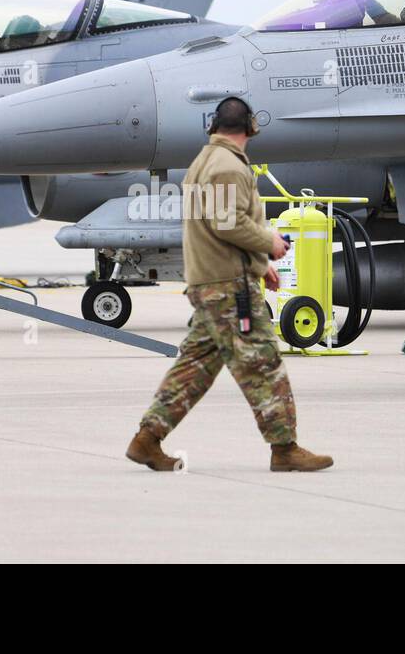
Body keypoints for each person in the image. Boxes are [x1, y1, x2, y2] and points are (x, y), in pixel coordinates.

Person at [126, 98, 334, 472]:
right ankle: (284, 448)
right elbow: (228, 224)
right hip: (227, 290)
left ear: (213, 125)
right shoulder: (224, 166)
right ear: (251, 126)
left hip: (218, 280)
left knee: (195, 367)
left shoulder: (206, 162)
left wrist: (258, 265)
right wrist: (268, 243)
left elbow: (218, 227)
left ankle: (147, 439)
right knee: (263, 364)